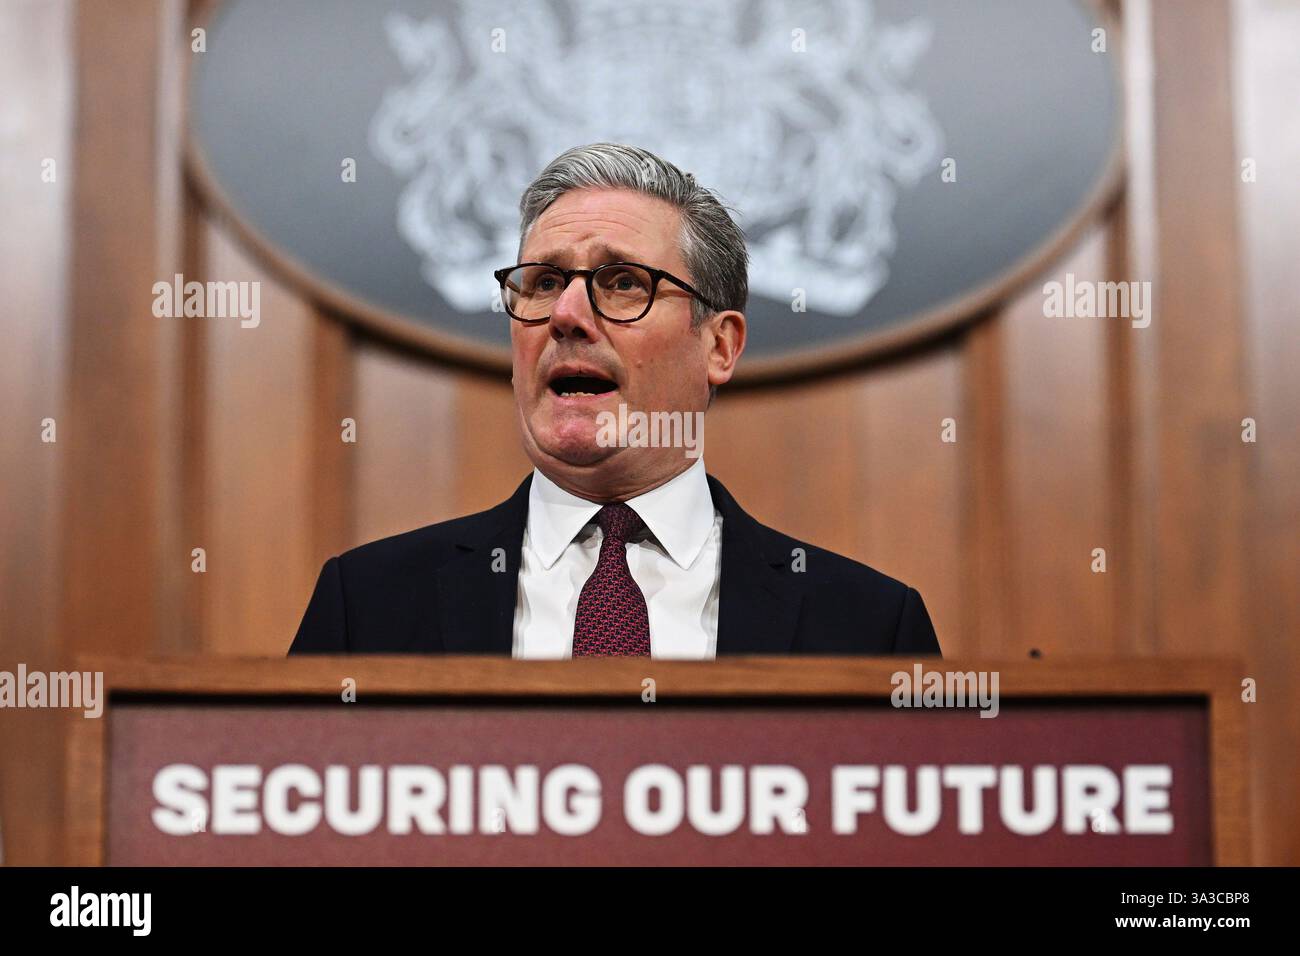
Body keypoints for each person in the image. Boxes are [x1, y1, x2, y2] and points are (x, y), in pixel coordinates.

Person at [290, 143, 940, 658]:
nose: (567, 315)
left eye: (623, 282)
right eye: (542, 283)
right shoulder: (367, 606)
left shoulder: (869, 626)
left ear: (719, 346)